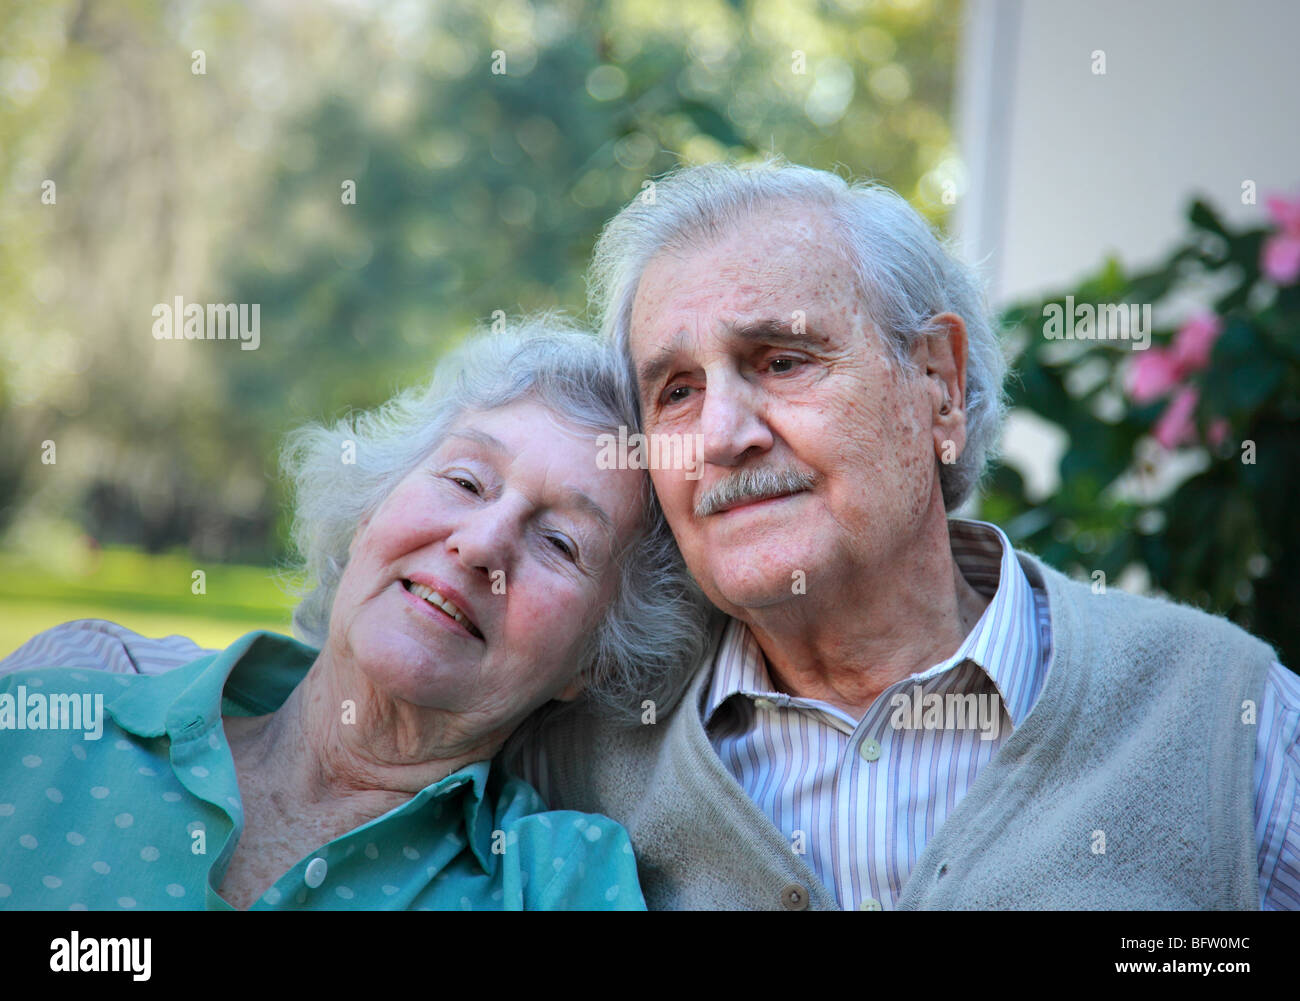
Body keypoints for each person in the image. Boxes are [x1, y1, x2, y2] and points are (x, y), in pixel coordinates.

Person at [0, 317, 711, 910]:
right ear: (373, 504)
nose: (482, 543)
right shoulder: (43, 722)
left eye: (560, 543)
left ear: (597, 658)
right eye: (465, 480)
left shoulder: (556, 885)